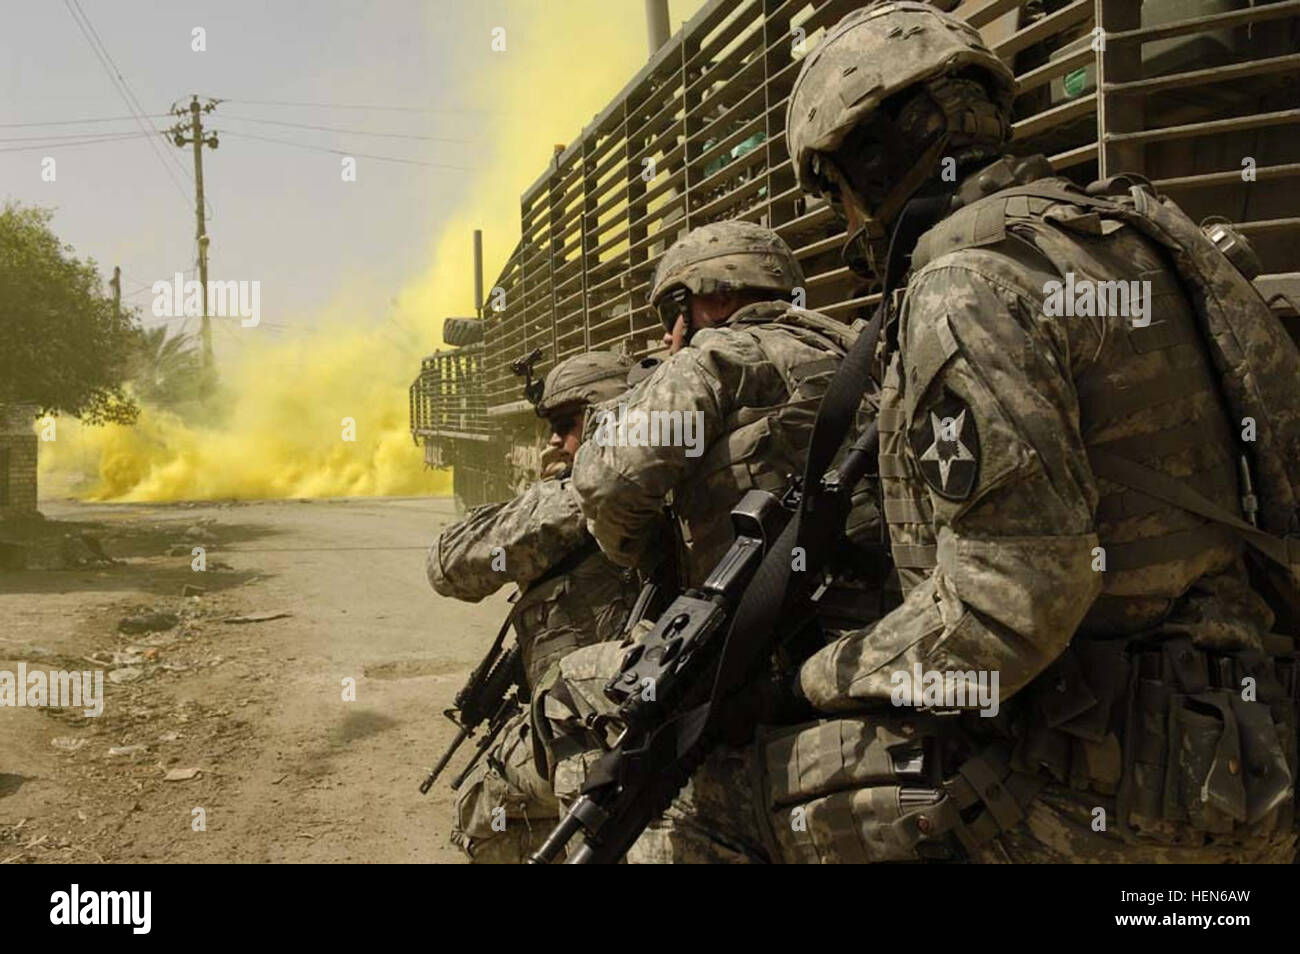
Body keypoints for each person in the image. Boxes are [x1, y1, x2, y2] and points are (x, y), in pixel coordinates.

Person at [773, 0, 1297, 863]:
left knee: (723, 798)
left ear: (873, 159)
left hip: (1096, 798)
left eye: (833, 189)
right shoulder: (1143, 237)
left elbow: (1009, 606)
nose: (843, 220)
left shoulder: (966, 286)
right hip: (1254, 763)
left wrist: (822, 675)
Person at [538, 220, 883, 862]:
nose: (670, 334)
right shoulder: (869, 350)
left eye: (675, 312)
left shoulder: (716, 357)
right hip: (871, 642)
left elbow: (609, 486)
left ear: (713, 299)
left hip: (751, 653)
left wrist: (643, 556)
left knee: (566, 691)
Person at [426, 351, 641, 863]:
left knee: (481, 814)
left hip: (602, 725)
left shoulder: (584, 498)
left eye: (567, 426)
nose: (552, 440)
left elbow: (448, 565)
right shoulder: (685, 482)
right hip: (674, 709)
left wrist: (550, 492)